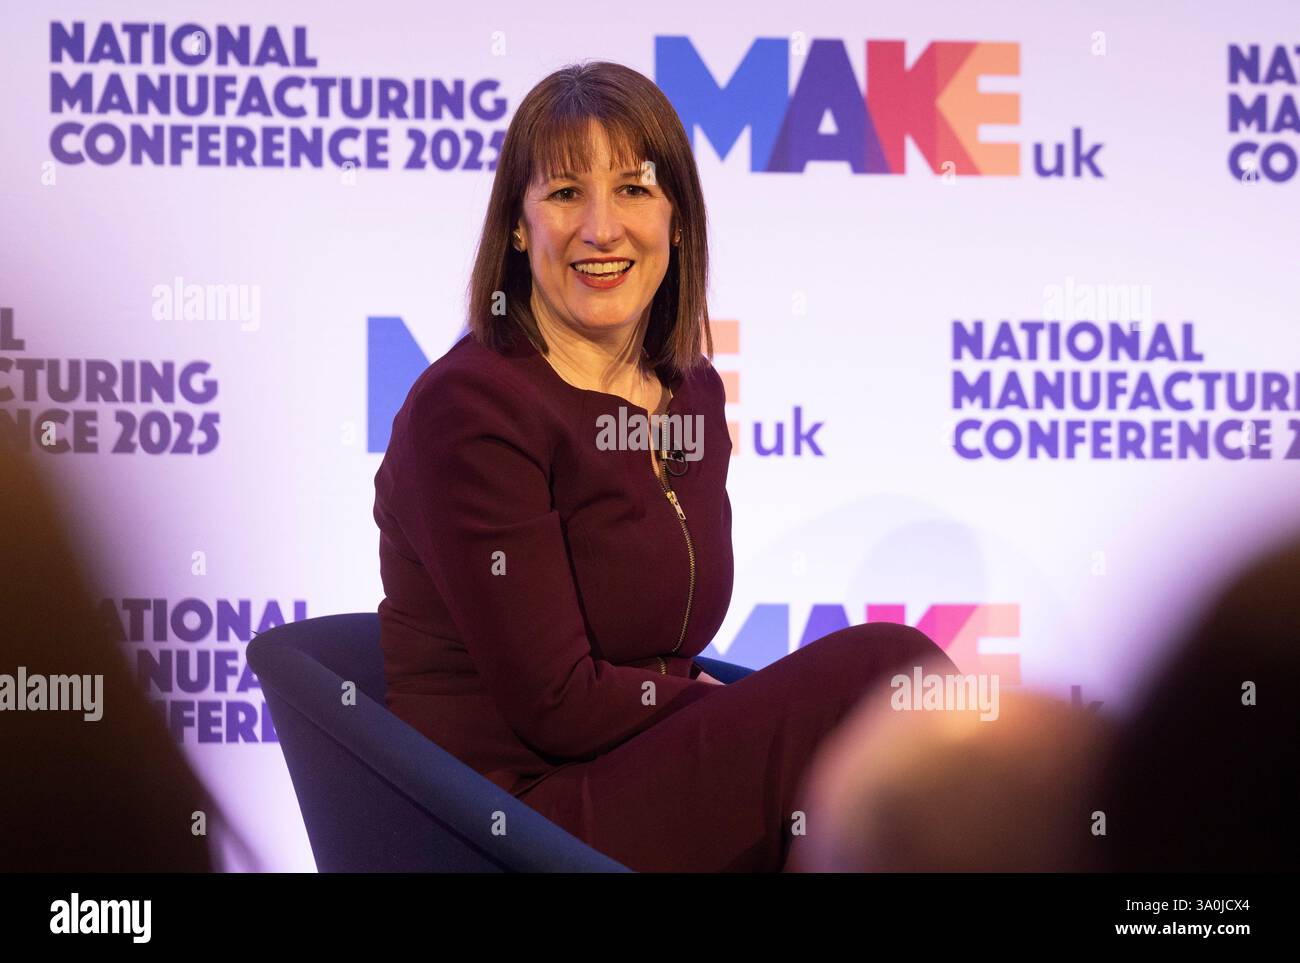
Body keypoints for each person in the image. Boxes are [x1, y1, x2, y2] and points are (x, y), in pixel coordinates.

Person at [372, 60, 954, 872]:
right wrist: (731, 708)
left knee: (896, 737)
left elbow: (666, 650)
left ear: (678, 220)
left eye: (636, 190)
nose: (601, 229)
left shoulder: (689, 393)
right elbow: (559, 703)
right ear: (517, 225)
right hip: (513, 817)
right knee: (888, 668)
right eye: (566, 193)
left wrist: (726, 713)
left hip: (648, 774)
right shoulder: (471, 409)